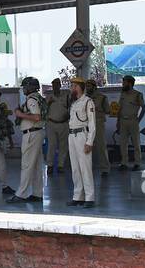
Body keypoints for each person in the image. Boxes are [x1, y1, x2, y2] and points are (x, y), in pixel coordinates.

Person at [8, 76, 45, 204]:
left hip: (31, 134)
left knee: (27, 164)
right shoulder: (38, 98)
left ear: (31, 87)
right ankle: (37, 193)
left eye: (25, 86)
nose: (24, 88)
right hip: (38, 133)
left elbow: (37, 117)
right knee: (36, 166)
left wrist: (20, 114)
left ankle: (21, 194)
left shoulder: (32, 100)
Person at [68, 78, 97, 207]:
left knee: (85, 167)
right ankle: (78, 196)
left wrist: (89, 142)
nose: (72, 88)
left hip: (82, 135)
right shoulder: (74, 103)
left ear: (81, 87)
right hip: (72, 135)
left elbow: (92, 124)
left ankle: (89, 197)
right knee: (75, 168)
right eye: (71, 86)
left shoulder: (88, 102)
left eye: (74, 86)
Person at [116, 75, 145, 171]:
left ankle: (137, 163)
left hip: (133, 121)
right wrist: (118, 122)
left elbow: (144, 108)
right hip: (123, 121)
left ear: (130, 83)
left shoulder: (137, 94)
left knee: (136, 142)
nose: (123, 84)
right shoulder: (123, 94)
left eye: (124, 83)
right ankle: (124, 162)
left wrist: (138, 119)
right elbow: (119, 108)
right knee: (123, 143)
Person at [45, 77, 71, 173]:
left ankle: (60, 165)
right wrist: (49, 103)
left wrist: (68, 115)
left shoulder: (66, 96)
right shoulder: (49, 97)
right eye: (53, 85)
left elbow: (71, 108)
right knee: (52, 145)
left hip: (63, 124)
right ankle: (50, 165)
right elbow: (43, 111)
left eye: (57, 85)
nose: (55, 86)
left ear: (60, 85)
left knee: (63, 146)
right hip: (51, 123)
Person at [87, 81, 110, 176]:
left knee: (101, 146)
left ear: (94, 87)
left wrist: (98, 110)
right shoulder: (84, 98)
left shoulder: (102, 97)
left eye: (89, 86)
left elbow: (107, 110)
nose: (87, 88)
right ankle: (87, 168)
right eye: (86, 86)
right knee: (86, 147)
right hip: (86, 125)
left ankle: (105, 168)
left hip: (98, 124)